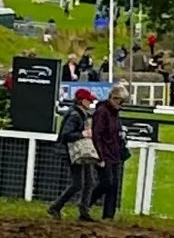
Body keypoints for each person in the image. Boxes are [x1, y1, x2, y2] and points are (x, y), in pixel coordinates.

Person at [48, 85, 103, 220]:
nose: (90, 103)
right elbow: (66, 135)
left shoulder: (79, 113)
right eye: (89, 100)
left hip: (80, 152)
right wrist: (83, 134)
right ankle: (56, 207)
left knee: (89, 181)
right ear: (82, 101)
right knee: (78, 183)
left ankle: (83, 211)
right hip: (74, 153)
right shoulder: (75, 115)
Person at [91, 87, 128, 219]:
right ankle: (86, 204)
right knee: (106, 182)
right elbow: (97, 135)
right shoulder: (102, 112)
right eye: (121, 101)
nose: (122, 105)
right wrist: (100, 156)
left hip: (114, 154)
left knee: (113, 185)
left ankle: (108, 215)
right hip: (104, 154)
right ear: (114, 98)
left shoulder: (114, 113)